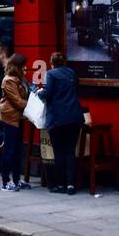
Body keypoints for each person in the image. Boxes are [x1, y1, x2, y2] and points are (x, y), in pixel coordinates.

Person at [37, 52, 83, 195]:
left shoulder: (51, 74)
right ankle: (71, 184)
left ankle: (60, 184)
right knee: (70, 151)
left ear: (52, 63)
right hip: (74, 117)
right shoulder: (72, 72)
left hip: (58, 118)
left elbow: (48, 92)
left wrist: (38, 92)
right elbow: (76, 89)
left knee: (59, 152)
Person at [0, 53, 30, 192]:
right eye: (24, 65)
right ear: (17, 66)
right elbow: (17, 101)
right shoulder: (9, 80)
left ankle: (17, 180)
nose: (26, 67)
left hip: (19, 118)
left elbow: (26, 95)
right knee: (9, 150)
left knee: (18, 150)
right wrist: (31, 106)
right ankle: (6, 182)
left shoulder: (20, 78)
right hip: (10, 118)